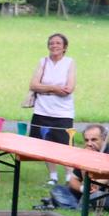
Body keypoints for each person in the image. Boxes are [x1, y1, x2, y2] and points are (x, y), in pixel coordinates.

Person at [40, 125, 109, 210]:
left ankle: (68, 205)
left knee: (93, 196)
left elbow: (96, 185)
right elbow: (73, 180)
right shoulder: (87, 154)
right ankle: (75, 207)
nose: (89, 143)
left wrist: (87, 185)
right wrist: (82, 188)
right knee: (58, 189)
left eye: (94, 140)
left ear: (105, 140)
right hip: (90, 194)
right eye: (86, 140)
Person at [29, 33, 76, 186]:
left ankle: (70, 175)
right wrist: (55, 88)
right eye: (51, 43)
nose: (54, 46)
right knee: (46, 144)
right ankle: (53, 176)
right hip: (42, 110)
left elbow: (69, 89)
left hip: (63, 112)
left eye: (58, 43)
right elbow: (33, 85)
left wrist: (45, 89)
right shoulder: (43, 62)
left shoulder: (69, 62)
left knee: (66, 145)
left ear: (65, 47)